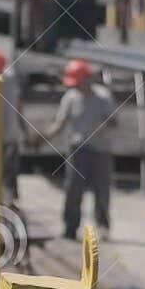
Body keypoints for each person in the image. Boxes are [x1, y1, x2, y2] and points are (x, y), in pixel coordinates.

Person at [46, 58, 115, 240]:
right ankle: (70, 226)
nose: (76, 87)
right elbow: (60, 123)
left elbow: (113, 122)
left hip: (100, 150)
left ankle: (102, 225)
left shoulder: (103, 97)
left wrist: (104, 126)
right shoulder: (70, 98)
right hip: (78, 150)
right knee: (73, 189)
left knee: (102, 189)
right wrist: (43, 137)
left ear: (88, 79)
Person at [0, 47, 26, 204]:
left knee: (3, 168)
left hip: (2, 134)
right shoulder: (11, 79)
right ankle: (8, 198)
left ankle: (4, 198)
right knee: (9, 169)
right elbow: (19, 106)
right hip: (9, 134)